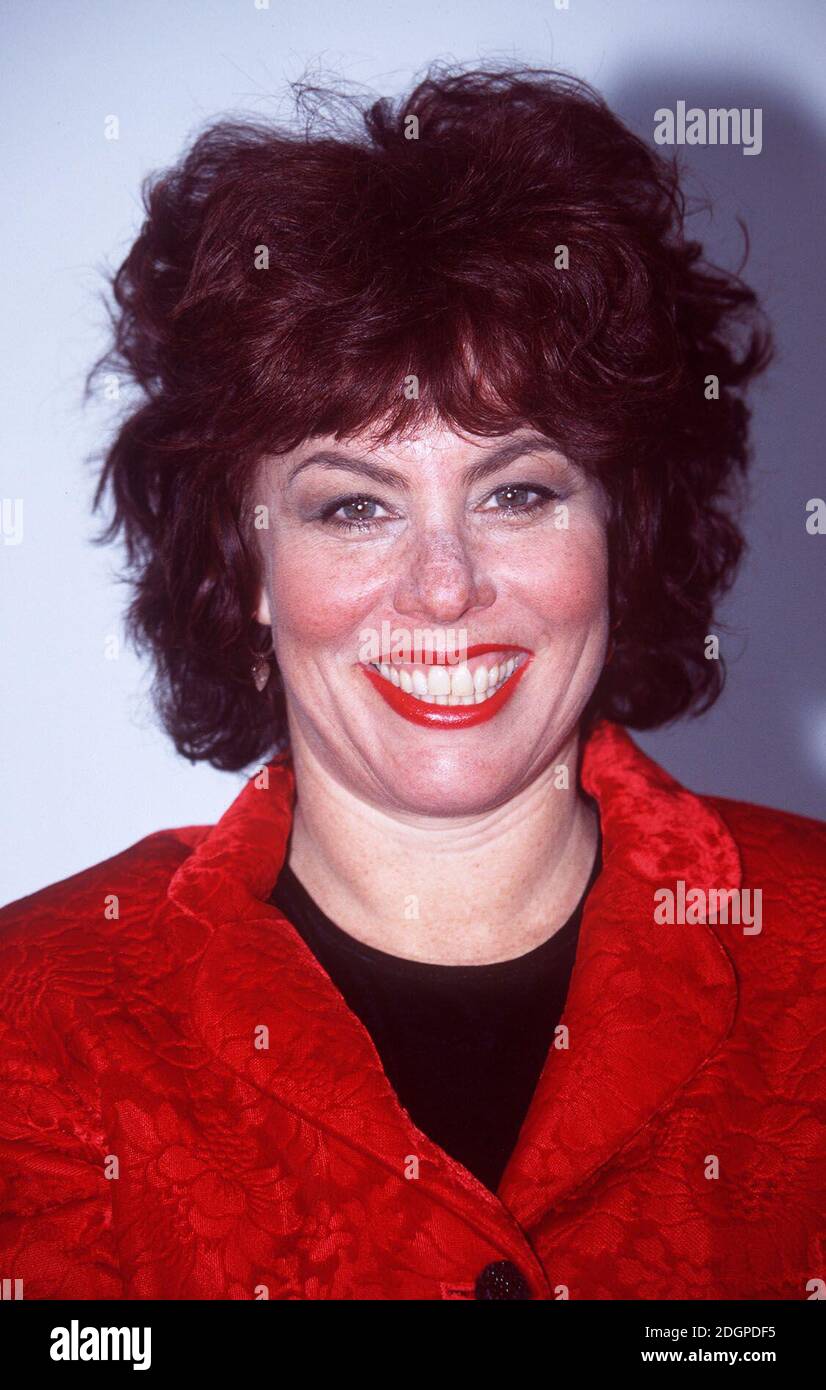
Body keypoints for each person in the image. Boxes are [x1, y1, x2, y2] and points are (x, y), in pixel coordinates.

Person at [1, 66, 823, 1302]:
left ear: (622, 531)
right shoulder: (35, 1022)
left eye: (518, 491)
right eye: (353, 506)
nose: (443, 587)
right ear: (247, 565)